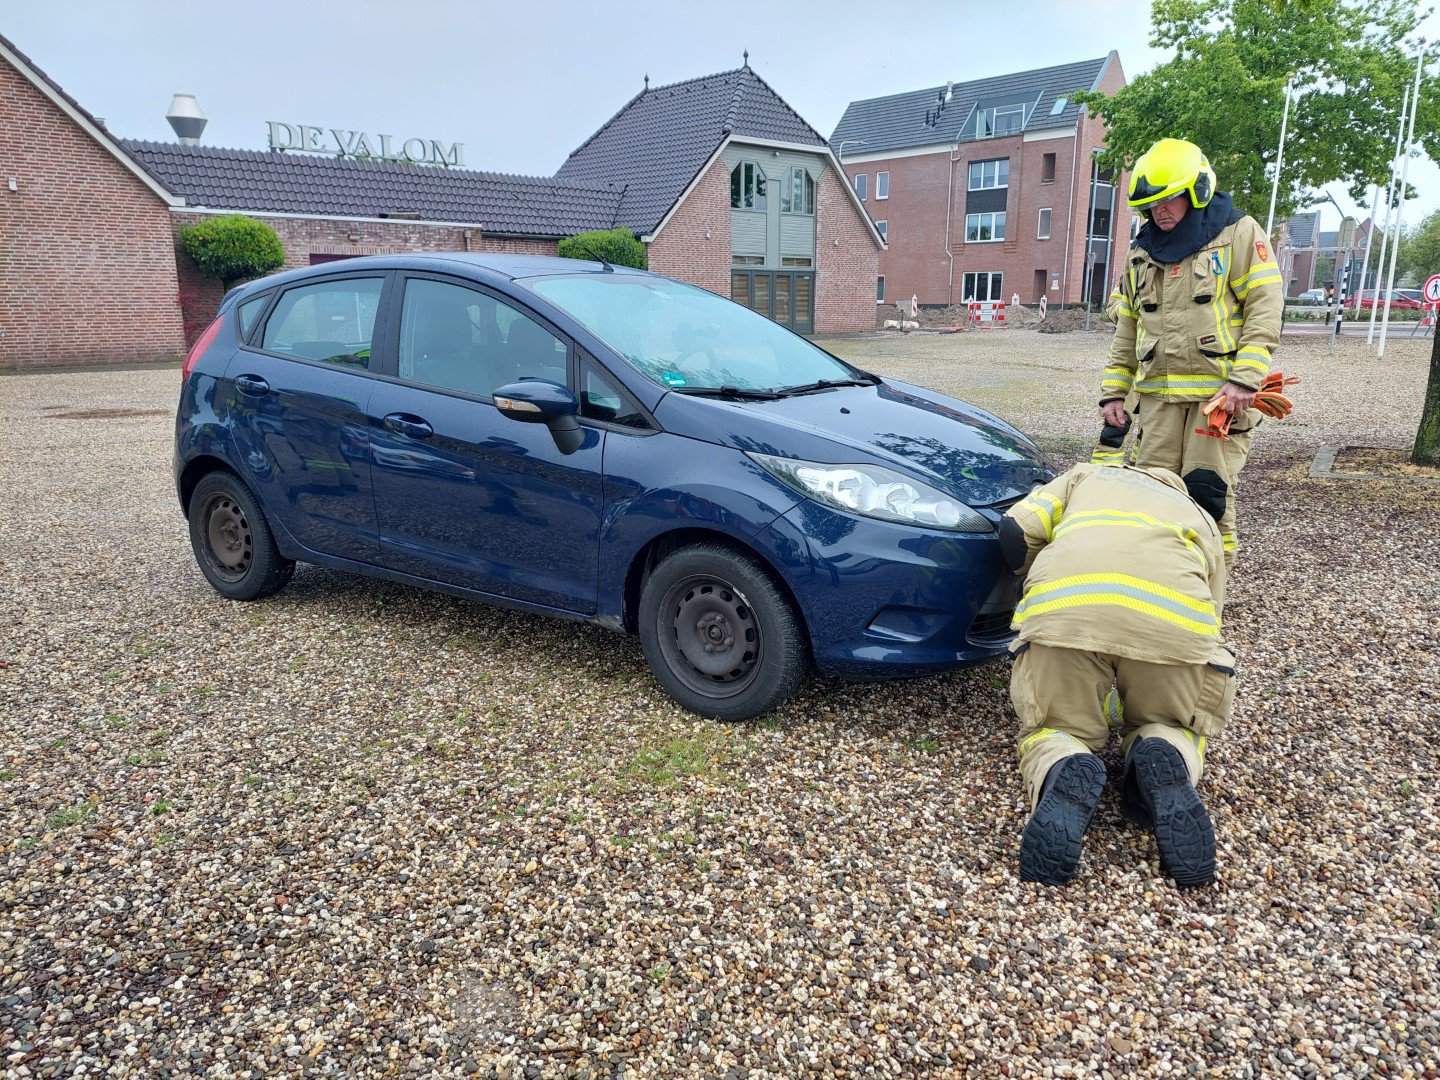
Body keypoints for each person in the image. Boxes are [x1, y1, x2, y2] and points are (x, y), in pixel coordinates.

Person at [1001, 461, 1236, 887]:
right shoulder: (1196, 512)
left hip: (1066, 608)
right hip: (1173, 621)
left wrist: (1029, 579)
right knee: (1170, 721)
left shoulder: (1085, 476)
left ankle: (1064, 759)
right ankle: (1162, 751)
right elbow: (1213, 605)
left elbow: (1015, 533)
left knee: (1055, 726)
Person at [1099, 138, 1283, 568]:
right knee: (1153, 493)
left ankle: (1210, 590)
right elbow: (1128, 328)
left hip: (1217, 399)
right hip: (1158, 400)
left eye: (1168, 199)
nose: (1159, 211)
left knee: (1208, 493)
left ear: (1197, 190)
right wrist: (1113, 393)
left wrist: (1244, 380)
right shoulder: (1141, 252)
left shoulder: (1239, 233)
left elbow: (1266, 308)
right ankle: (1159, 580)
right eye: (1151, 203)